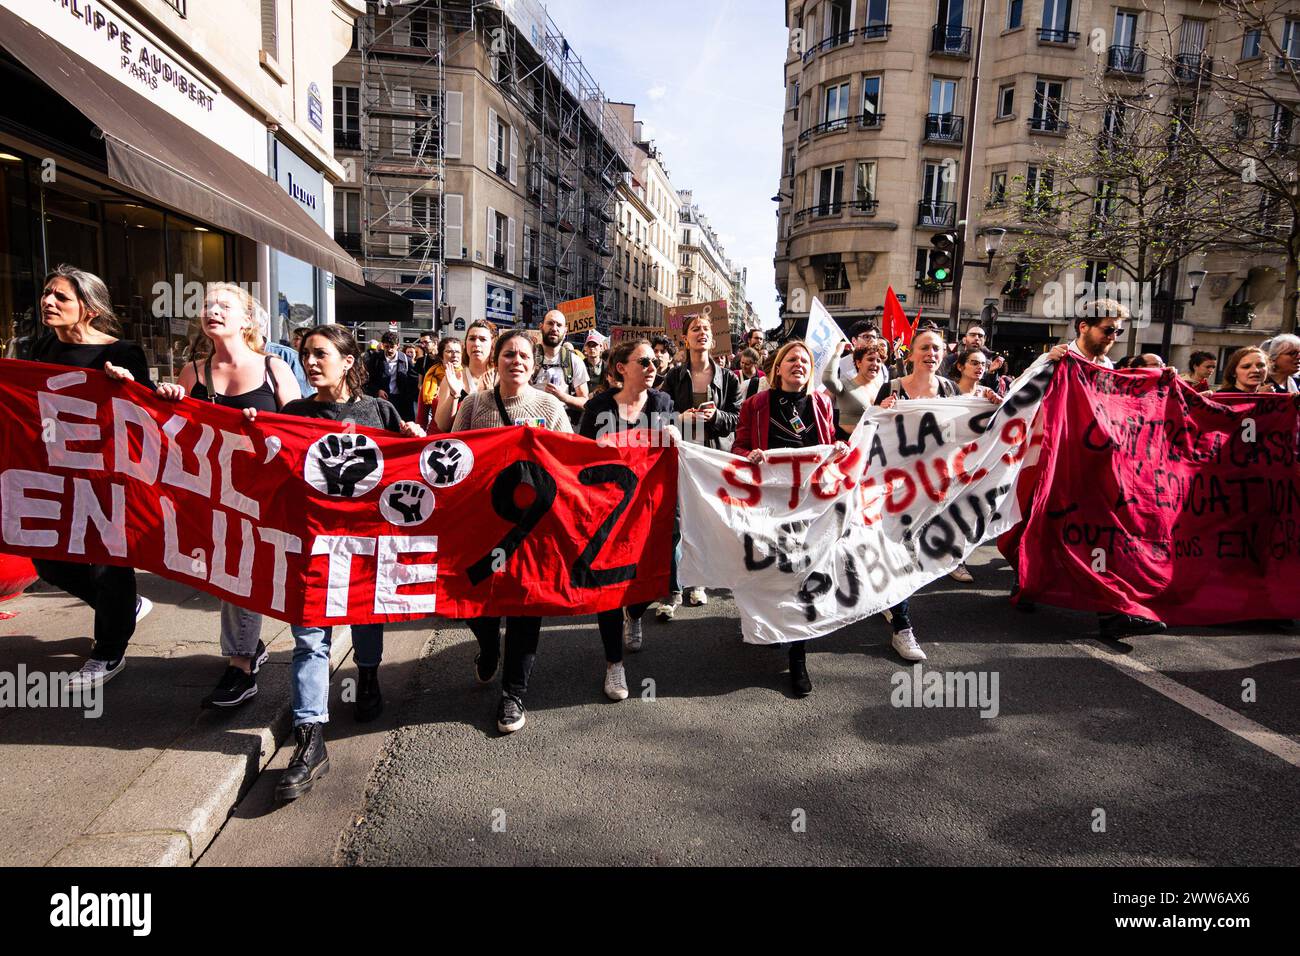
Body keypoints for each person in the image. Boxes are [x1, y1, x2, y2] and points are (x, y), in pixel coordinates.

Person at [274, 325, 425, 801]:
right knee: (309, 637)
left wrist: (416, 439)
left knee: (365, 611)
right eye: (305, 354)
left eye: (321, 353)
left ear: (347, 360)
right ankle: (309, 739)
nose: (311, 362)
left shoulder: (378, 410)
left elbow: (404, 466)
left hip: (364, 542)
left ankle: (369, 675)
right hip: (314, 545)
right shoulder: (294, 414)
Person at [143, 283, 301, 708]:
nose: (213, 310)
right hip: (212, 492)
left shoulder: (274, 369)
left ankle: (240, 666)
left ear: (247, 320)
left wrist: (265, 423)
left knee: (243, 570)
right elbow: (175, 433)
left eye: (224, 305)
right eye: (208, 305)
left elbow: (301, 430)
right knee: (227, 573)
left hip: (263, 493)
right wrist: (171, 400)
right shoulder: (193, 371)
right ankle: (246, 650)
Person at [29, 265, 155, 690]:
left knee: (107, 563)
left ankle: (108, 651)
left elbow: (149, 411)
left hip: (107, 474)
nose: (48, 302)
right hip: (56, 468)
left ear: (89, 307)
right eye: (47, 293)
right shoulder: (44, 345)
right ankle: (124, 607)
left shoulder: (122, 351)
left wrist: (129, 386)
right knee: (47, 558)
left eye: (61, 297)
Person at [454, 331, 571, 734]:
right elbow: (451, 457)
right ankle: (488, 645)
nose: (516, 360)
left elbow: (569, 459)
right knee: (474, 600)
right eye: (508, 354)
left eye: (523, 355)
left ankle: (513, 694)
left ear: (534, 364)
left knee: (525, 608)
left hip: (532, 530)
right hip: (483, 525)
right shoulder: (474, 405)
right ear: (495, 361)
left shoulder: (550, 407)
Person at [733, 341, 847, 697]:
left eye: (805, 361)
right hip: (771, 503)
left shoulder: (822, 403)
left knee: (805, 572)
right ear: (778, 368)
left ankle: (798, 655)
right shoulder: (755, 404)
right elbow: (738, 446)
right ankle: (773, 625)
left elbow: (830, 445)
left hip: (811, 504)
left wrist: (840, 449)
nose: (799, 364)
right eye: (792, 359)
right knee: (774, 570)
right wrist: (747, 455)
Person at [874, 327, 990, 659]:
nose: (931, 354)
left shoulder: (951, 390)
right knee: (901, 555)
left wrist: (989, 405)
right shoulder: (893, 387)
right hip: (896, 490)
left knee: (917, 556)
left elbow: (968, 432)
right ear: (911, 354)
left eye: (937, 349)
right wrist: (883, 410)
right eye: (924, 348)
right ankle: (902, 626)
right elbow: (874, 437)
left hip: (936, 489)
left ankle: (891, 602)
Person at [579, 338, 677, 678]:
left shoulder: (663, 402)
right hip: (607, 508)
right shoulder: (599, 406)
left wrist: (676, 434)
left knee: (655, 576)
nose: (653, 368)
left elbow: (671, 447)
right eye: (644, 362)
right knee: (607, 587)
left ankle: (634, 613)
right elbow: (581, 455)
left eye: (654, 362)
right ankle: (614, 663)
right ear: (621, 368)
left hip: (649, 507)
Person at [659, 313, 741, 617]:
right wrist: (681, 419)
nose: (701, 333)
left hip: (712, 458)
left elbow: (737, 418)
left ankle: (699, 583)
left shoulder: (729, 378)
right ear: (686, 338)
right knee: (677, 523)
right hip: (681, 456)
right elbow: (660, 413)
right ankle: (674, 589)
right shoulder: (674, 377)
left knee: (707, 521)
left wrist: (715, 417)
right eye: (695, 329)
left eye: (706, 328)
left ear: (713, 337)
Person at [946, 347, 1002, 584]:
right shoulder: (947, 392)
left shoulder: (988, 394)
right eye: (973, 363)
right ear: (960, 366)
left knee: (968, 513)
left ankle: (957, 559)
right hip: (949, 460)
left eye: (982, 364)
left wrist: (1001, 406)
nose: (980, 367)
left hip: (978, 462)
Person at [433, 320, 496, 433]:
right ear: (465, 344)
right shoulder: (452, 378)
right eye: (472, 338)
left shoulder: (502, 378)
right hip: (461, 445)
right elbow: (442, 425)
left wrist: (491, 397)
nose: (476, 344)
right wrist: (454, 395)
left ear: (492, 344)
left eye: (482, 339)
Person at [533, 309, 590, 427]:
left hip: (560, 423)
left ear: (565, 330)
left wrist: (562, 396)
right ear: (541, 326)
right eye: (550, 323)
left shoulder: (575, 361)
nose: (554, 328)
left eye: (559, 325)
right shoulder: (527, 357)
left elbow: (585, 402)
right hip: (532, 422)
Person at [822, 341, 886, 440]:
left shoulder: (881, 388)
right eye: (870, 359)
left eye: (878, 361)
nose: (875, 363)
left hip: (874, 445)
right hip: (848, 446)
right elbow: (827, 379)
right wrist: (838, 352)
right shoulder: (845, 385)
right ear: (858, 363)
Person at [364, 331, 419, 420]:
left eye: (392, 347)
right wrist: (377, 390)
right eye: (386, 347)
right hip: (382, 400)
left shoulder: (406, 360)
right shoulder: (376, 358)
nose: (389, 350)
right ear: (382, 345)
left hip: (402, 402)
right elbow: (368, 379)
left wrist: (409, 396)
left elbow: (413, 381)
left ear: (398, 345)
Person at [416, 335, 461, 431]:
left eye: (457, 352)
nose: (454, 355)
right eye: (449, 351)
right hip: (436, 438)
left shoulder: (467, 377)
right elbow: (421, 419)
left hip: (461, 438)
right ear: (441, 356)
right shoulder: (430, 380)